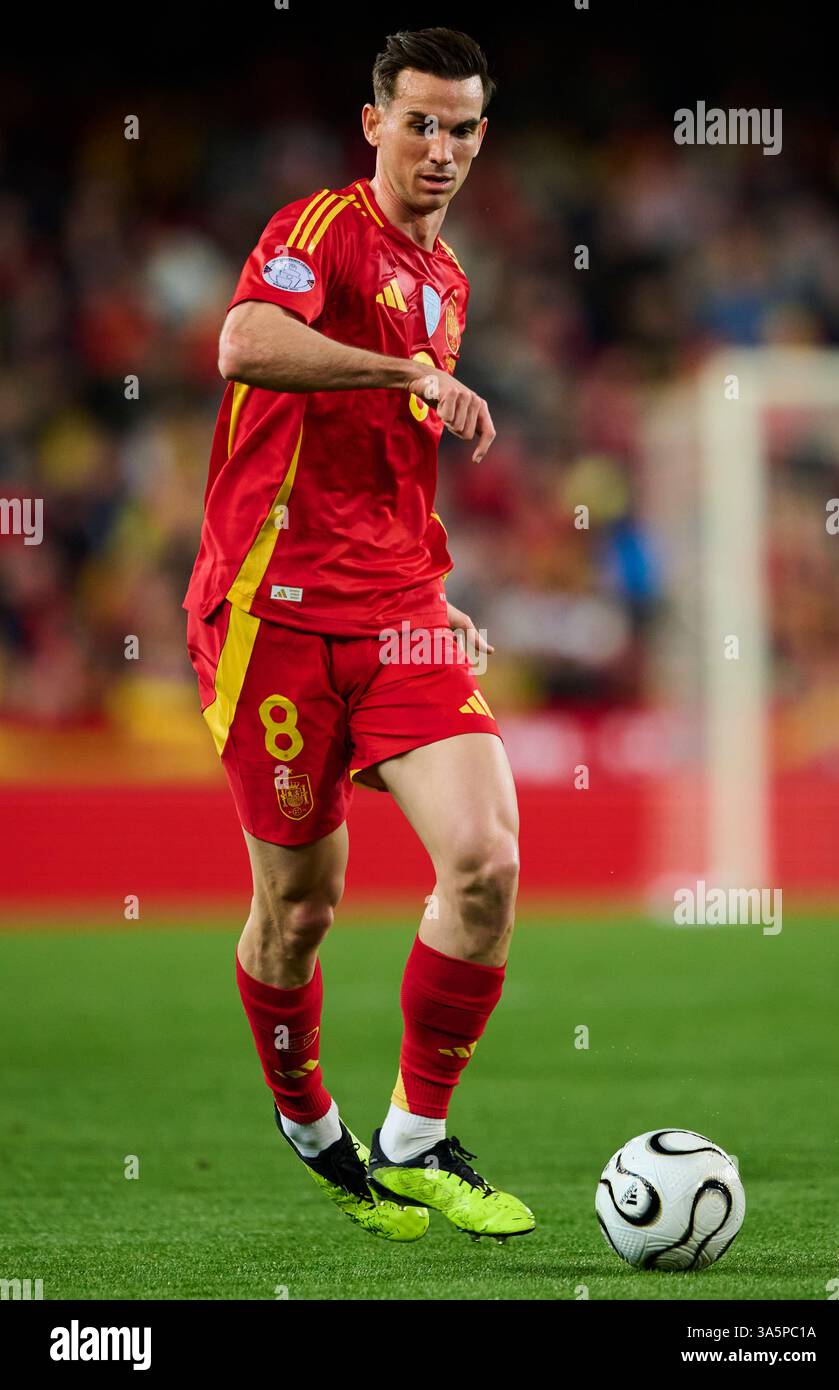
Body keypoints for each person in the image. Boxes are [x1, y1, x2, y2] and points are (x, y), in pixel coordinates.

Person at [184, 26, 534, 1243]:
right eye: (419, 122)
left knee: (485, 860)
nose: (439, 148)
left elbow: (387, 475)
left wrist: (433, 601)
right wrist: (401, 372)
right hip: (270, 619)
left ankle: (416, 1136)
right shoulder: (317, 231)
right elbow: (244, 344)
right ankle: (304, 1114)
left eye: (462, 128)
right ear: (373, 122)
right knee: (300, 911)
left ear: (482, 137)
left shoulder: (450, 283)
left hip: (398, 616)